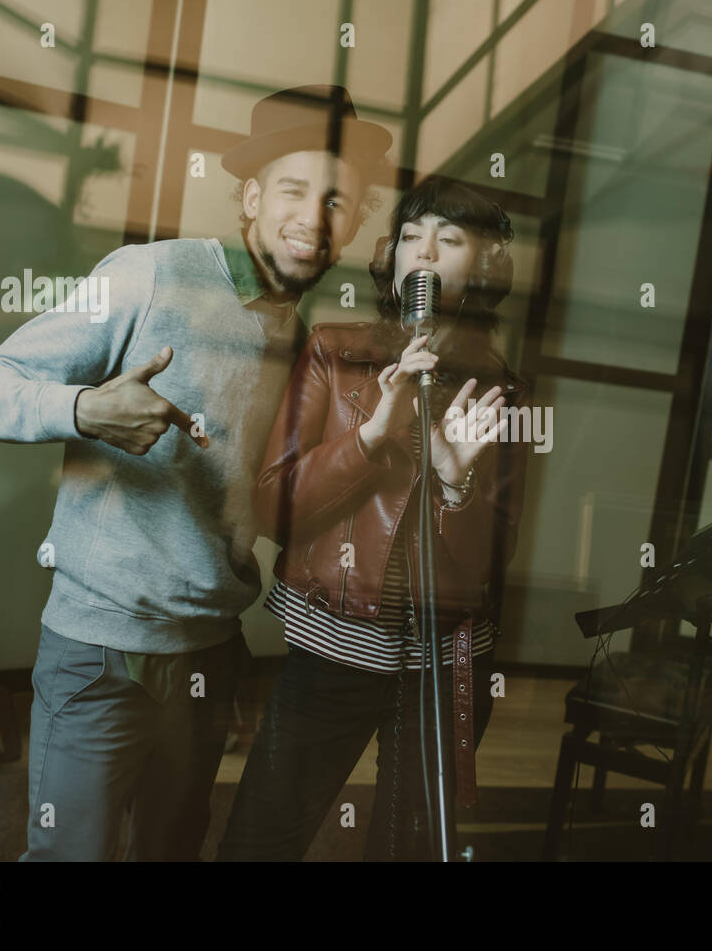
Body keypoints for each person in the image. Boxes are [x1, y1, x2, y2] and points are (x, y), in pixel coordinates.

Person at [0, 85, 391, 860]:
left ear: (354, 220)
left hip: (210, 656)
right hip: (99, 650)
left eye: (337, 201)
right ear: (251, 196)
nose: (313, 216)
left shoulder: (306, 339)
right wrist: (85, 409)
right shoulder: (149, 275)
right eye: (292, 189)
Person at [217, 175, 531, 861]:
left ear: (482, 265)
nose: (425, 252)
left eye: (448, 240)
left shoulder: (500, 391)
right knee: (260, 839)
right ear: (391, 256)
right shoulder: (337, 349)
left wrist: (455, 482)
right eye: (413, 236)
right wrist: (368, 439)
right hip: (334, 647)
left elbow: (494, 556)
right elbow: (274, 503)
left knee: (407, 847)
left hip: (447, 662)